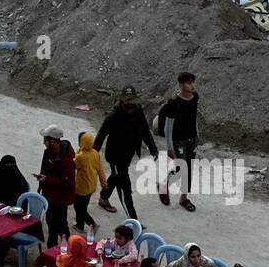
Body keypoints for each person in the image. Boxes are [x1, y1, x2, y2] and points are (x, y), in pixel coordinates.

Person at [93, 86, 159, 218]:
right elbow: (101, 135)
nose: (130, 102)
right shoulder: (113, 116)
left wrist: (153, 148)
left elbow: (145, 130)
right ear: (122, 99)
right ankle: (133, 218)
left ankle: (103, 198)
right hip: (115, 156)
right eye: (127, 99)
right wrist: (93, 155)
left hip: (128, 154)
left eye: (133, 99)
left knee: (115, 178)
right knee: (125, 186)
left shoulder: (138, 110)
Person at [157, 71, 200, 211]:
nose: (192, 85)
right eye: (189, 82)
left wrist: (197, 136)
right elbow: (168, 128)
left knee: (189, 170)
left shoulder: (195, 98)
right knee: (181, 169)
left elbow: (194, 119)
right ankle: (164, 186)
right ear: (181, 85)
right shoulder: (174, 103)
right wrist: (169, 147)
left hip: (191, 140)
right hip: (178, 141)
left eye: (193, 82)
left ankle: (184, 198)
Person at [37, 126, 75, 248]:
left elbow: (66, 182)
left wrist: (47, 179)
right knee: (51, 223)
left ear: (52, 141)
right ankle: (52, 249)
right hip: (48, 194)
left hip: (60, 199)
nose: (44, 142)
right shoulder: (48, 152)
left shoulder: (67, 160)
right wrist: (42, 181)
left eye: (46, 140)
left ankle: (70, 249)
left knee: (61, 226)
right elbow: (44, 169)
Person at [73, 131, 106, 235]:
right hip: (91, 186)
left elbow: (73, 166)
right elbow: (100, 169)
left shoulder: (81, 156)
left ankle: (92, 224)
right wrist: (104, 183)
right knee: (83, 206)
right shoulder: (95, 153)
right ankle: (79, 225)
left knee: (78, 208)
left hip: (81, 188)